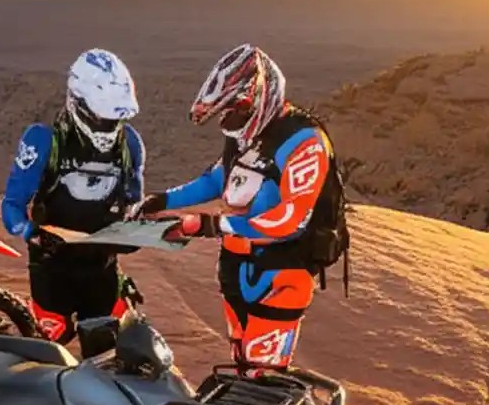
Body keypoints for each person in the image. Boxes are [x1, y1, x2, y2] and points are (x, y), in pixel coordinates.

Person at [136, 44, 348, 372]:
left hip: (281, 272)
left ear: (259, 96)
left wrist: (211, 225)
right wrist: (163, 200)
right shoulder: (244, 135)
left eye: (237, 107)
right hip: (237, 268)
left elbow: (291, 219)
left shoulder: (303, 143)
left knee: (262, 371)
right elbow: (218, 179)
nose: (229, 118)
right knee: (241, 361)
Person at [1, 49, 146, 344]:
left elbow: (134, 203)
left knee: (107, 351)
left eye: (113, 119)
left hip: (101, 269)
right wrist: (32, 233)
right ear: (78, 104)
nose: (108, 127)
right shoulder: (43, 141)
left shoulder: (129, 143)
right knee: (52, 355)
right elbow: (12, 206)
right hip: (52, 271)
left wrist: (135, 229)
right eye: (102, 118)